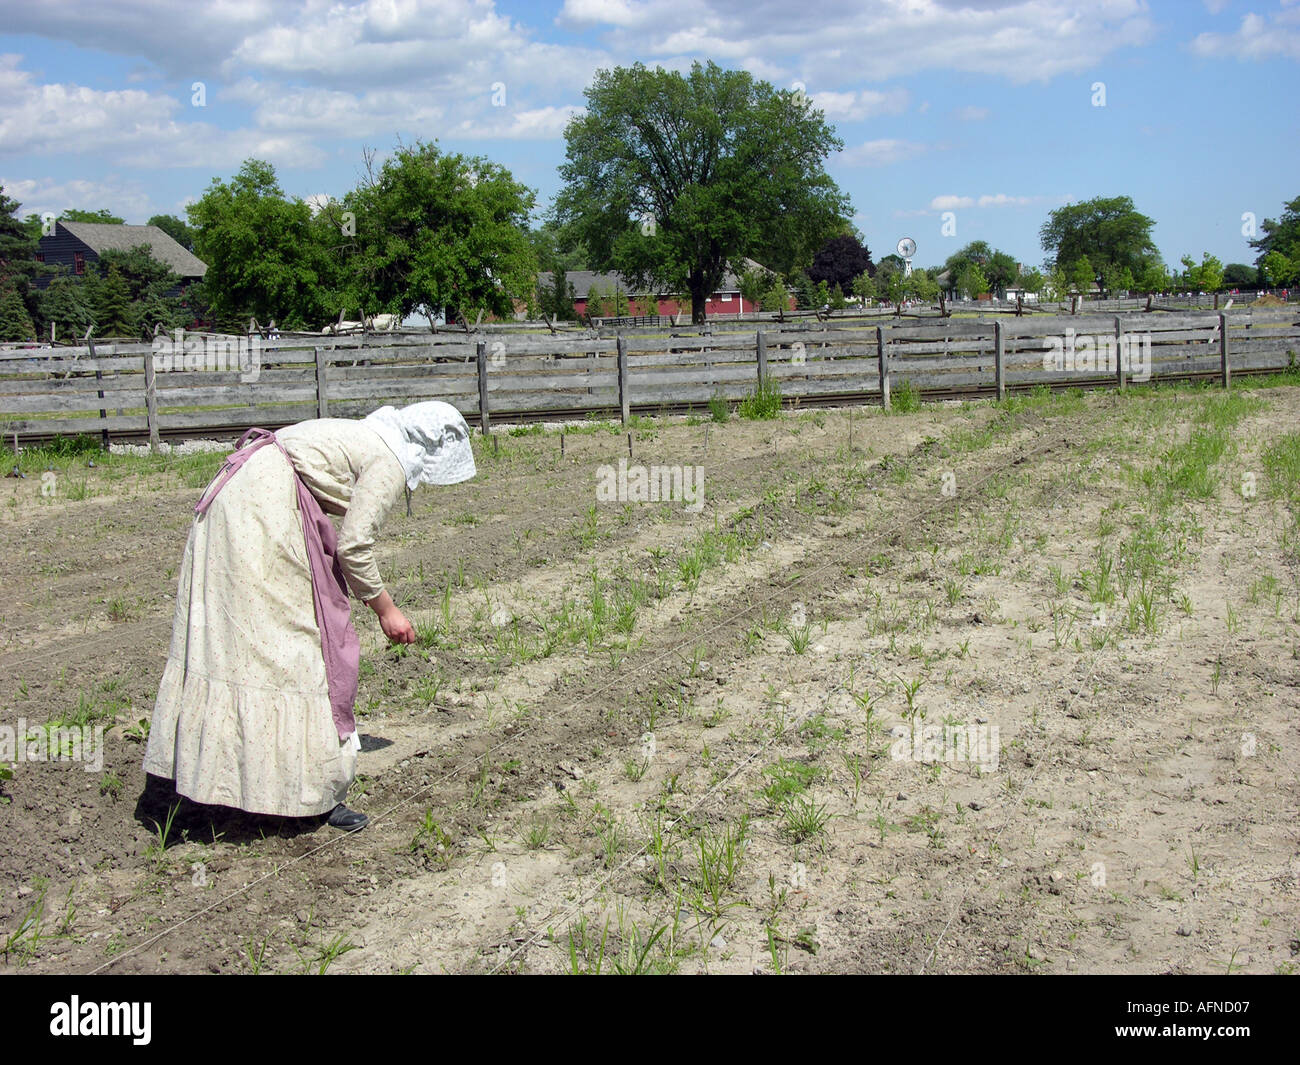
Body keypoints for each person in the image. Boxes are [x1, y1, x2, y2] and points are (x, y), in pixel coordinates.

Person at [143, 401, 476, 831]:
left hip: (241, 498)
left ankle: (221, 777)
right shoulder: (389, 461)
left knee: (243, 643)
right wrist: (386, 610)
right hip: (262, 512)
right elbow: (354, 547)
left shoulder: (369, 436)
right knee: (301, 642)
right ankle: (313, 793)